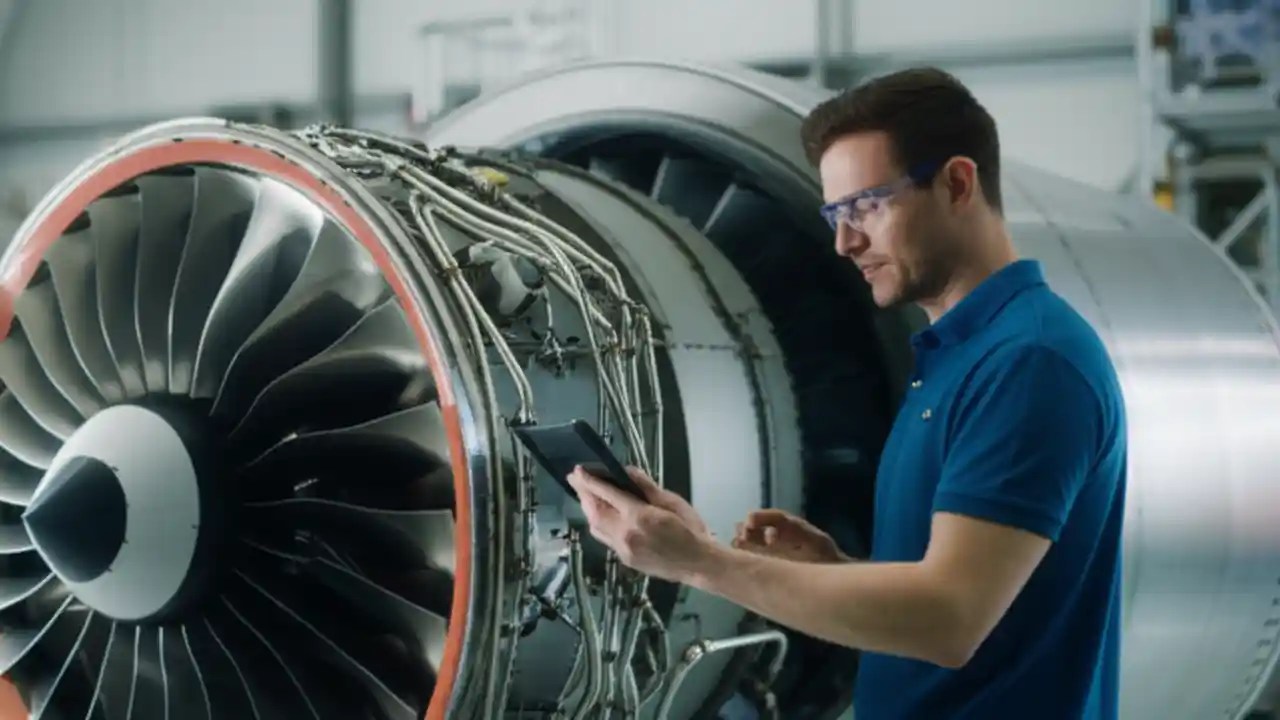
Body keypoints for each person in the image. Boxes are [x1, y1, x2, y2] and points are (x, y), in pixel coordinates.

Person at [566, 66, 1127, 719]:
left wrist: (699, 563)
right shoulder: (961, 355)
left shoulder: (1027, 362)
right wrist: (832, 570)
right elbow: (964, 598)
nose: (843, 242)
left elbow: (948, 618)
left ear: (957, 183)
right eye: (835, 213)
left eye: (867, 207)